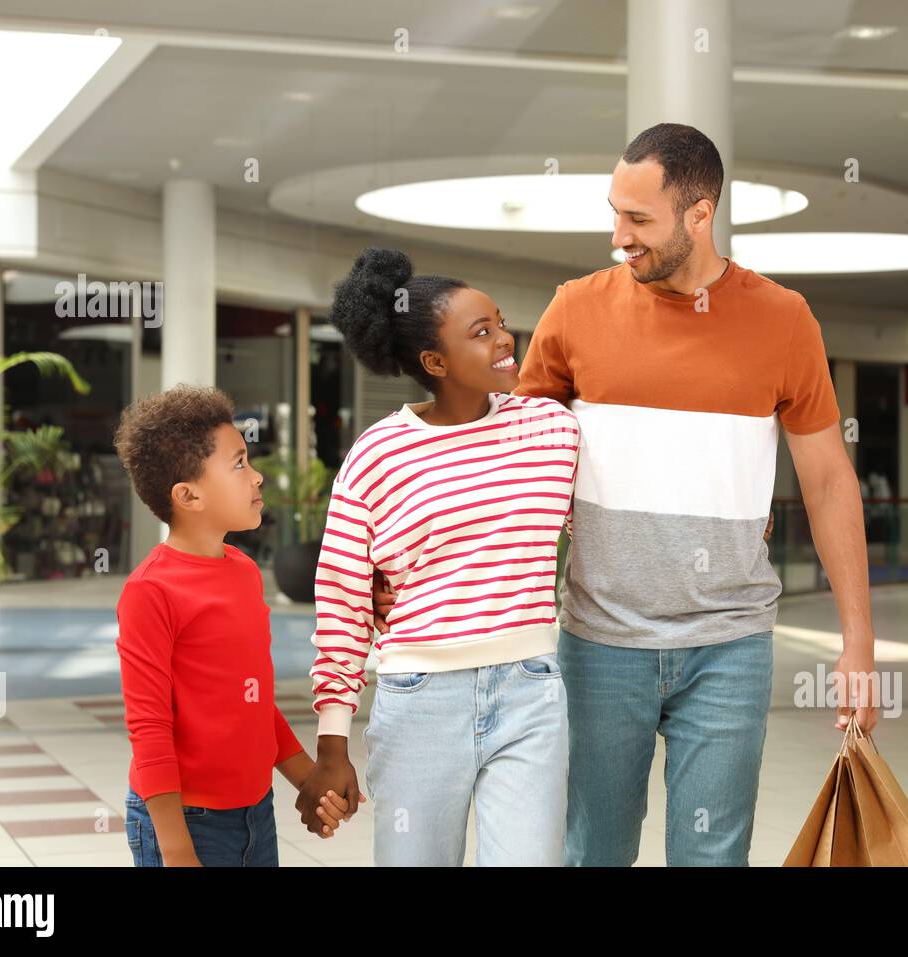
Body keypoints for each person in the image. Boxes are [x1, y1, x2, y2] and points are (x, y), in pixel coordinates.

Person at [377, 123, 879, 867]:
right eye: (615, 213)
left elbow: (830, 479)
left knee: (713, 855)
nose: (619, 236)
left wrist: (858, 643)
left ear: (700, 216)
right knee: (593, 852)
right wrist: (407, 572)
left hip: (730, 644)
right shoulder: (576, 311)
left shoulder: (783, 320)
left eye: (638, 219)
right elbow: (498, 452)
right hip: (600, 643)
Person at [295, 248, 580, 866]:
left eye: (501, 322)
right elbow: (342, 600)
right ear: (435, 361)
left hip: (531, 689)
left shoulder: (552, 429)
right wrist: (332, 745)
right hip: (419, 695)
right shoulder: (378, 454)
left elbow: (604, 516)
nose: (506, 339)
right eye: (482, 333)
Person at [114, 385, 343, 867]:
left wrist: (308, 779)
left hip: (255, 815)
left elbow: (253, 700)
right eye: (239, 463)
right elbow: (149, 728)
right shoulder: (150, 591)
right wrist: (176, 850)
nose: (257, 475)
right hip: (185, 823)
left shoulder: (242, 572)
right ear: (188, 495)